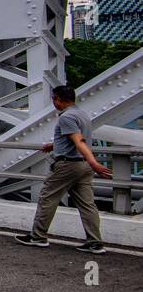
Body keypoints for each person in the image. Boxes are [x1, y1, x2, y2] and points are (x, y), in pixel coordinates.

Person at [15, 85, 111, 253]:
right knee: (87, 204)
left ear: (58, 99)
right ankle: (95, 242)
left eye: (54, 99)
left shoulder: (66, 117)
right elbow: (76, 138)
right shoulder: (82, 114)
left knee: (47, 198)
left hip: (68, 165)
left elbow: (78, 141)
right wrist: (54, 145)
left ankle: (37, 236)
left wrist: (94, 162)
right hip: (83, 166)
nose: (53, 102)